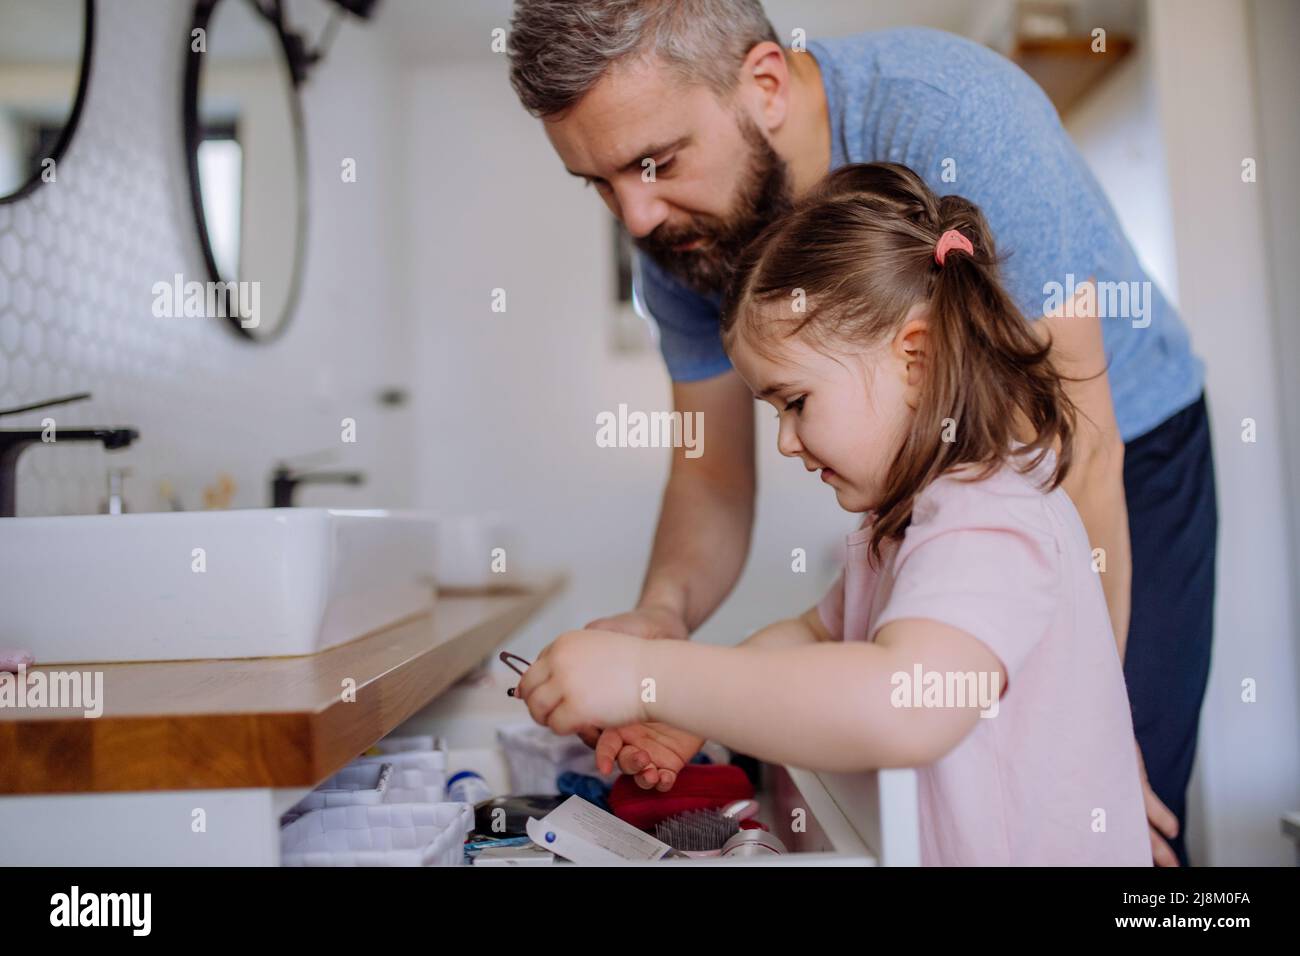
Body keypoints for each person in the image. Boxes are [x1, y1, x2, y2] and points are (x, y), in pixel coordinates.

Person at [507, 0, 1215, 866]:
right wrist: (664, 639)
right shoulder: (686, 242)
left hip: (1111, 441)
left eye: (653, 162)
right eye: (599, 183)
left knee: (1129, 806)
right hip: (974, 490)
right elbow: (715, 485)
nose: (637, 218)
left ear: (765, 83)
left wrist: (1104, 733)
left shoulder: (955, 114)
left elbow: (1079, 455)